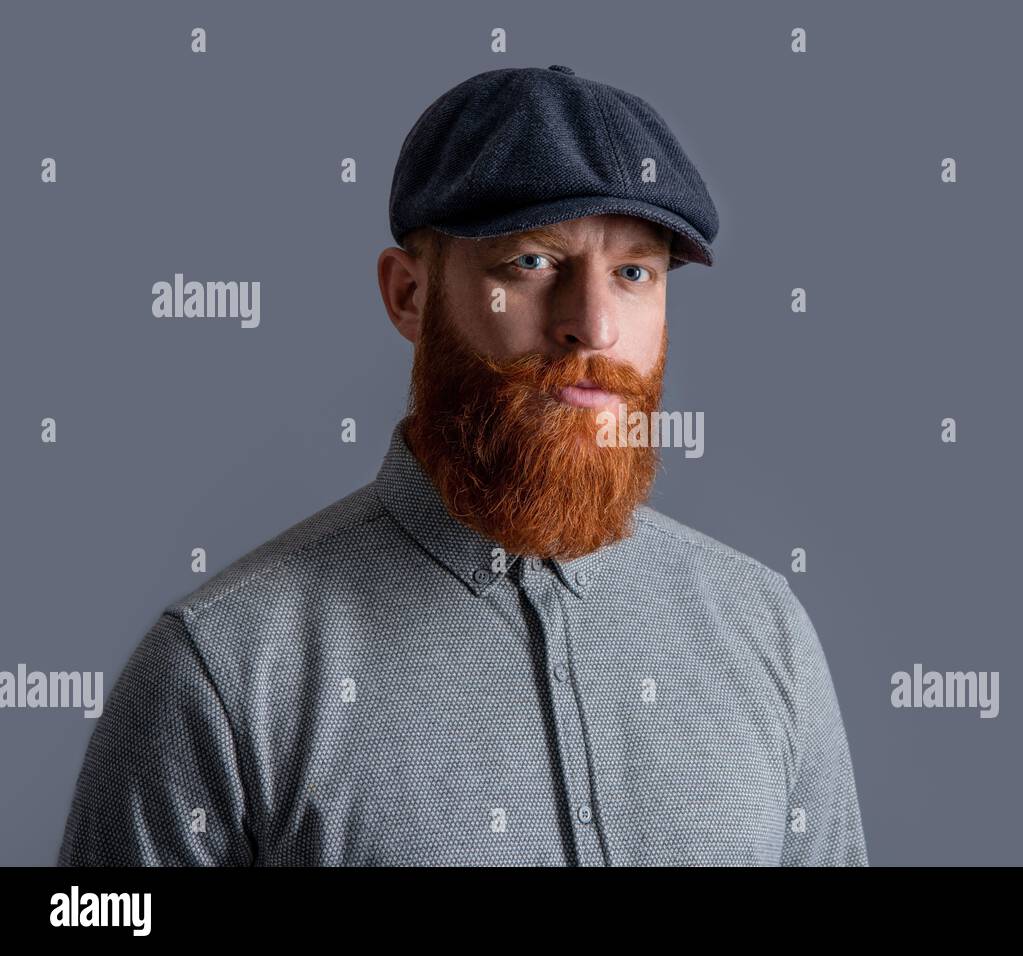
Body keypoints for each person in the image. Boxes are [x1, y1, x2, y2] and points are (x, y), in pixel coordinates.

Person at [57, 65, 867, 866]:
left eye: (633, 273)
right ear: (409, 295)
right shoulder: (221, 673)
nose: (592, 327)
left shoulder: (766, 631)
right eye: (531, 262)